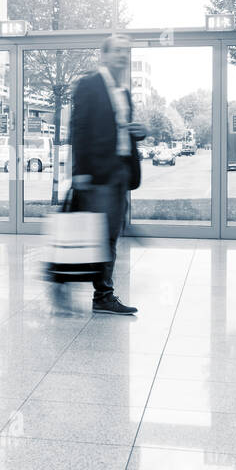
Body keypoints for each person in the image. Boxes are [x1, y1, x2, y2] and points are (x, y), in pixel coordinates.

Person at [69, 34, 146, 315]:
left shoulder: (123, 92)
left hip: (120, 173)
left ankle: (101, 293)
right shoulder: (88, 85)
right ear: (104, 55)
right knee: (97, 237)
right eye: (117, 51)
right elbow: (78, 129)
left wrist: (140, 132)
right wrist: (80, 172)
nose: (123, 56)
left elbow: (122, 131)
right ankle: (96, 291)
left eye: (127, 51)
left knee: (109, 236)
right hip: (98, 174)